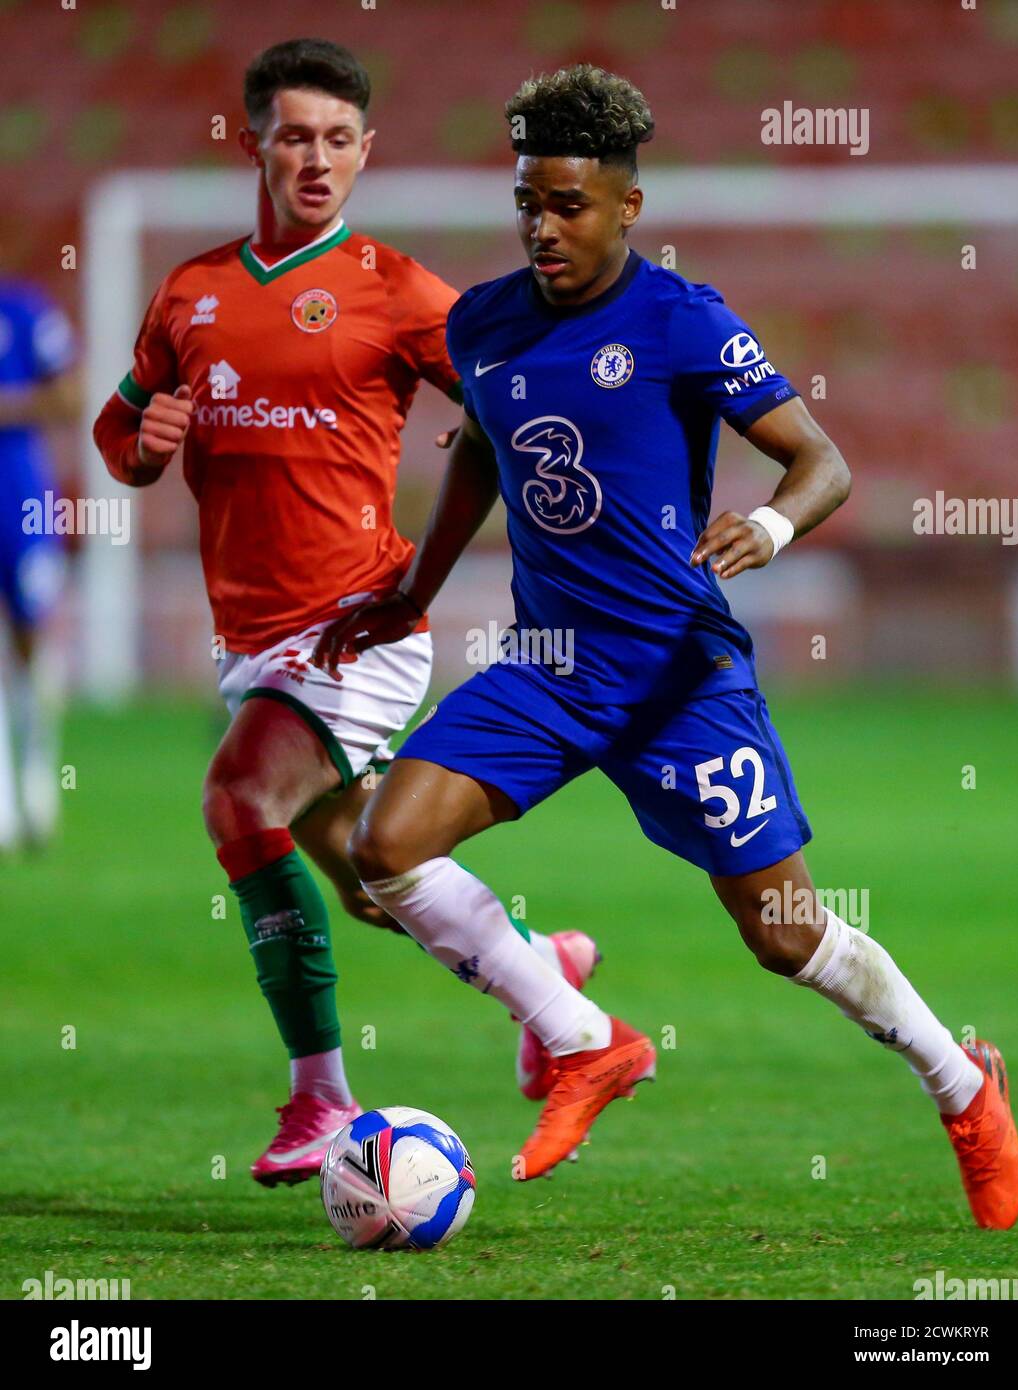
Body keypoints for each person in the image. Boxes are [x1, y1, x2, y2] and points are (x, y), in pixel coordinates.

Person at [315, 64, 1018, 1227]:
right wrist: (413, 589)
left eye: (568, 206)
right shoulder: (483, 321)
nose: (542, 227)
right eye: (527, 204)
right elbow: (479, 457)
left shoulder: (681, 319)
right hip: (549, 665)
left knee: (783, 932)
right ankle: (580, 1035)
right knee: (381, 847)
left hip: (674, 675)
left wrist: (768, 521)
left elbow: (824, 463)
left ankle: (960, 1085)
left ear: (626, 207)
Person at [93, 38, 595, 1187]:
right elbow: (121, 433)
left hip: (353, 630)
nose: (315, 159)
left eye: (337, 140)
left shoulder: (396, 288)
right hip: (253, 645)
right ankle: (543, 968)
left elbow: (514, 407)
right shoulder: (190, 293)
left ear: (366, 150)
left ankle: (321, 1099)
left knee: (237, 797)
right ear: (252, 142)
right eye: (293, 136)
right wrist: (140, 448)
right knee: (375, 886)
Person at [0, 276, 77, 851]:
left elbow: (71, 393)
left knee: (32, 639)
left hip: (21, 498)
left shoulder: (25, 308)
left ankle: (37, 777)